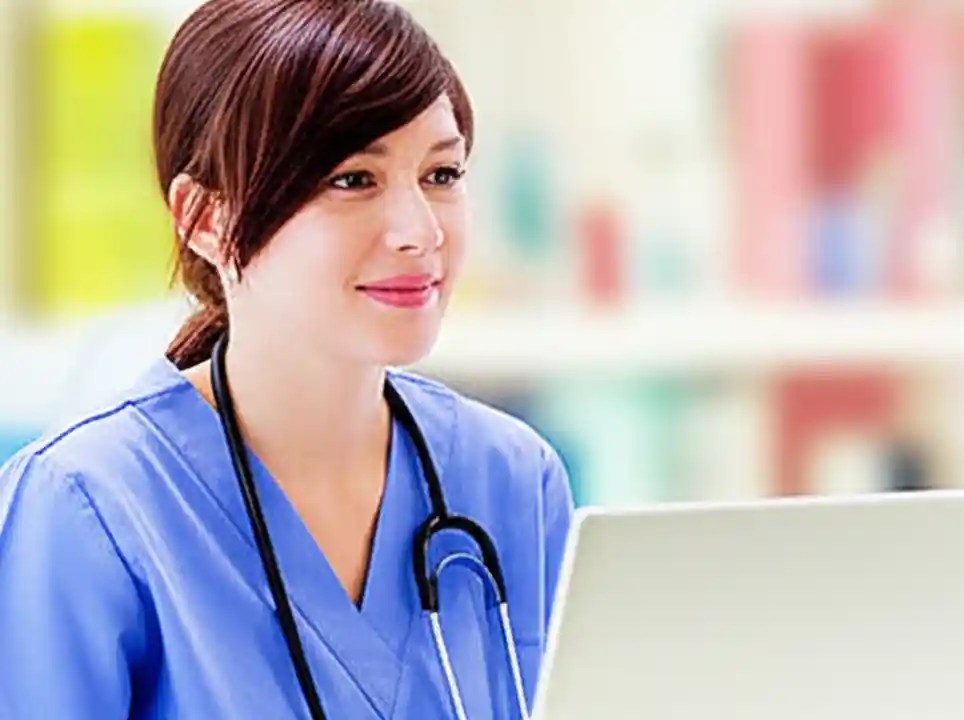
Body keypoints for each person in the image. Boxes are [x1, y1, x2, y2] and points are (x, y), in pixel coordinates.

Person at [0, 1, 574, 717]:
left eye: (442, 174)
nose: (420, 232)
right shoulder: (89, 507)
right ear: (207, 219)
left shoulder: (510, 480)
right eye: (353, 180)